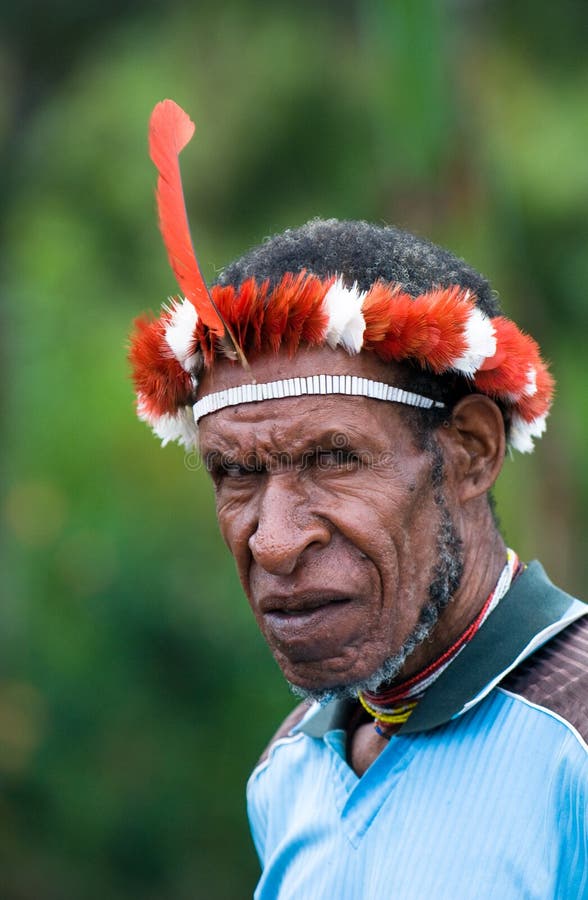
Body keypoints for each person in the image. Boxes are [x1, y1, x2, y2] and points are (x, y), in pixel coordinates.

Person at [130, 101, 588, 899]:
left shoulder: (573, 736)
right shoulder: (290, 769)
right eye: (235, 472)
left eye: (334, 458)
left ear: (471, 451)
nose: (274, 542)